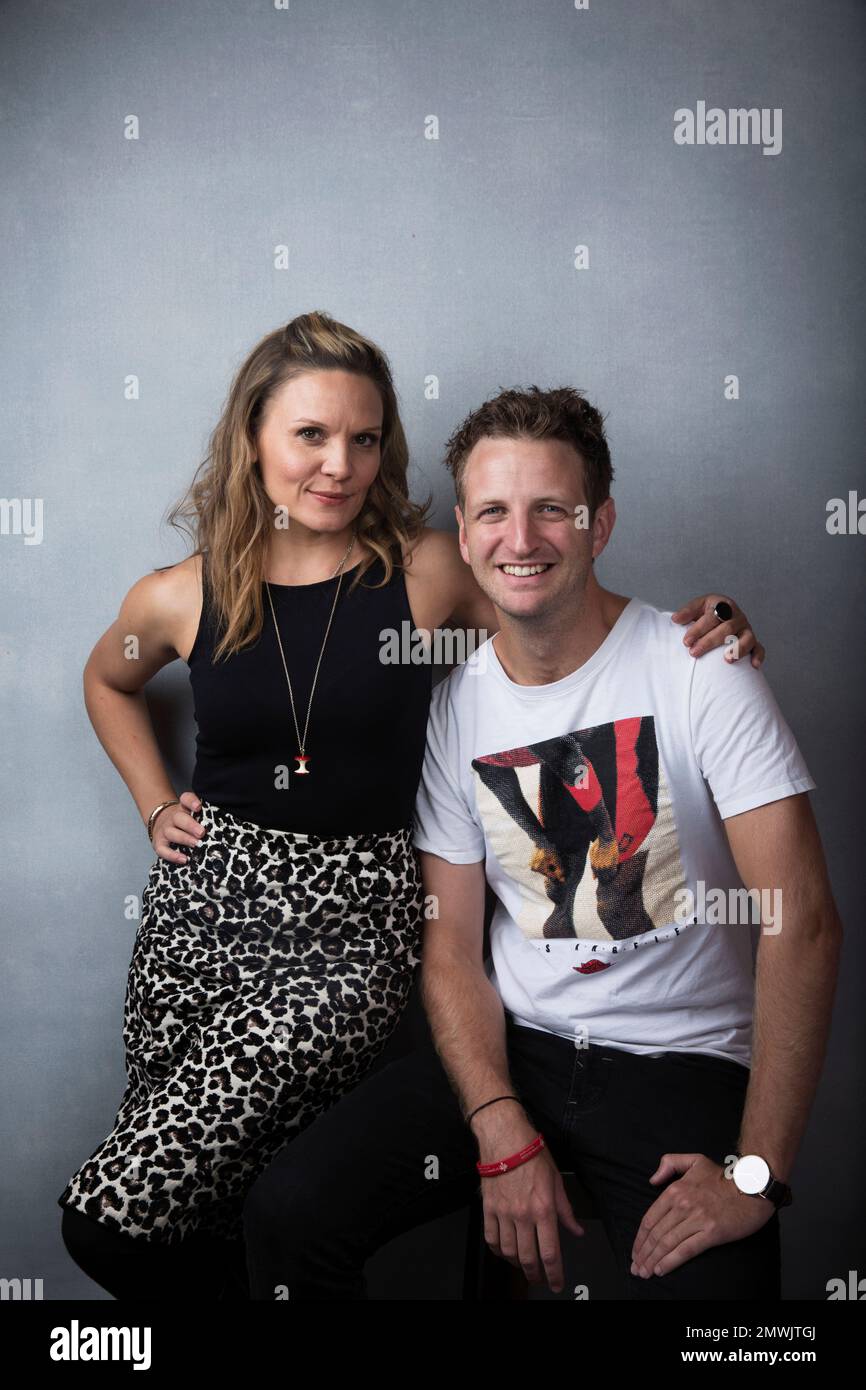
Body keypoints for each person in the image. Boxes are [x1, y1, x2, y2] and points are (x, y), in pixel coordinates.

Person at [58, 312, 765, 1300]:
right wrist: (150, 802)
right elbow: (106, 681)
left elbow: (572, 610)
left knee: (114, 1223)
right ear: (252, 435)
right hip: (197, 921)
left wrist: (708, 627)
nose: (339, 464)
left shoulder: (426, 570)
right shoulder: (178, 594)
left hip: (352, 936)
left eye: (363, 437)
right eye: (310, 434)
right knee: (217, 1209)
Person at [242, 384, 842, 1302]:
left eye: (551, 510)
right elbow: (449, 953)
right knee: (288, 1211)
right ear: (466, 531)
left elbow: (801, 925)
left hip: (678, 1064)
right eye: (493, 511)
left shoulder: (703, 674)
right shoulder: (456, 709)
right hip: (516, 1048)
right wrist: (496, 1121)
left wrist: (756, 1173)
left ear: (599, 523)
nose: (520, 540)